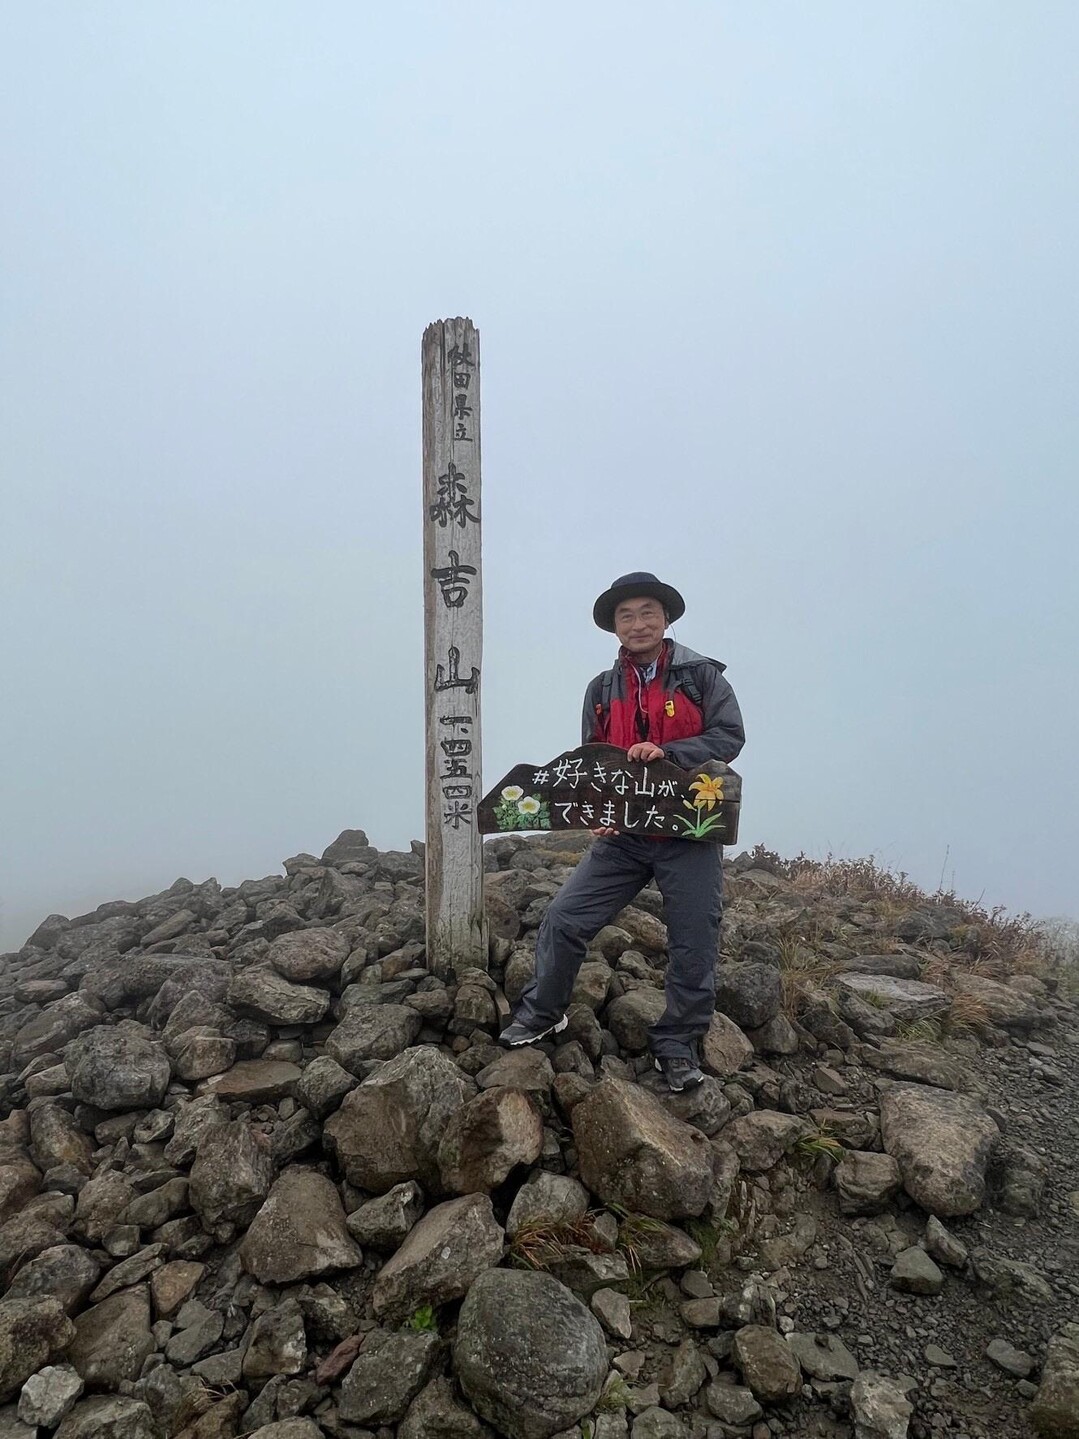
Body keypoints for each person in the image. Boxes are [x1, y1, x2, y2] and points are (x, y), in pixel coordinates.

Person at [499, 571, 746, 1092]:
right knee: (564, 917)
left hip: (687, 832)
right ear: (615, 627)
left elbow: (729, 734)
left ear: (666, 618)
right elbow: (593, 759)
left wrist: (671, 754)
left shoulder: (702, 677)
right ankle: (545, 1011)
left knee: (693, 937)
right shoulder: (600, 688)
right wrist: (596, 809)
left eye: (647, 612)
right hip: (624, 836)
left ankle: (677, 1044)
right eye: (626, 616)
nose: (638, 624)